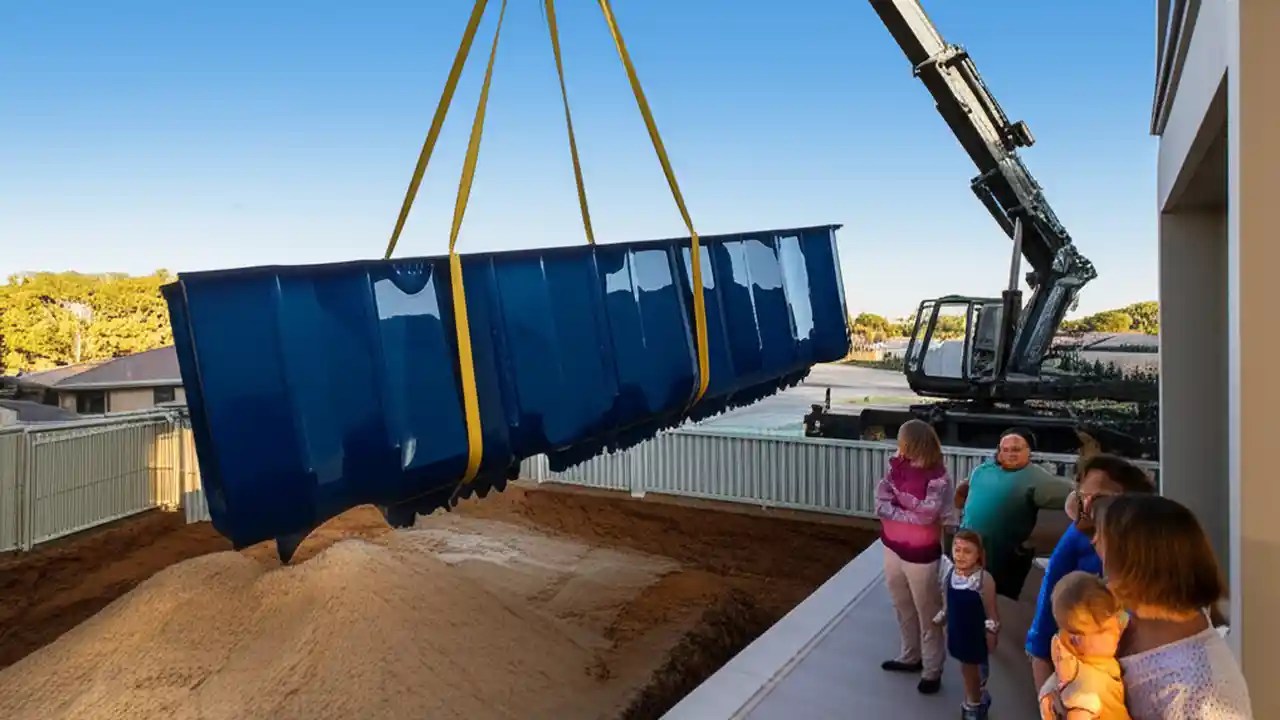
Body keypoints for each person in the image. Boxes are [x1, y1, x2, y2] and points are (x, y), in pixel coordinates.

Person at [1092, 494, 1253, 719]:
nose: (1094, 542)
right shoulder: (1124, 621)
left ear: (1137, 563)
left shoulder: (1204, 696)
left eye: (1102, 537)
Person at [1027, 453, 1157, 690]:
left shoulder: (1154, 554)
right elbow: (1041, 641)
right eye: (1081, 500)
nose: (1086, 514)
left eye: (1099, 502)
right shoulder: (1075, 540)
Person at [876, 419, 951, 693]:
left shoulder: (938, 477)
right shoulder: (896, 463)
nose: (899, 446)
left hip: (921, 556)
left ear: (914, 442)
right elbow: (881, 500)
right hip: (893, 546)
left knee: (928, 612)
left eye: (902, 440)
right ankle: (910, 656)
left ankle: (932, 670)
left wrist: (897, 500)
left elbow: (928, 514)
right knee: (902, 605)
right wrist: (904, 505)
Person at [955, 427, 1072, 600]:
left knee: (997, 606)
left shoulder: (1036, 478)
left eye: (1016, 449)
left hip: (1002, 558)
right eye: (1006, 450)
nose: (1010, 454)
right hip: (967, 553)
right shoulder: (983, 469)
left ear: (1028, 452)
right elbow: (963, 490)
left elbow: (1077, 497)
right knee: (963, 599)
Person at [1036, 571, 1131, 719]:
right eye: (1103, 631)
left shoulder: (1084, 659)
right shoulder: (1085, 688)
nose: (1117, 630)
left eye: (1116, 620)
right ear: (1076, 640)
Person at [934, 529, 999, 720]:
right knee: (965, 669)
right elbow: (947, 601)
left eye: (967, 551)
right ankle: (975, 699)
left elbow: (991, 612)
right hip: (957, 631)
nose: (960, 555)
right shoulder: (950, 574)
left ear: (978, 554)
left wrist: (992, 632)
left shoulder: (983, 580)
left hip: (975, 635)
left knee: (975, 671)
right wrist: (943, 615)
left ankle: (974, 704)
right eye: (957, 549)